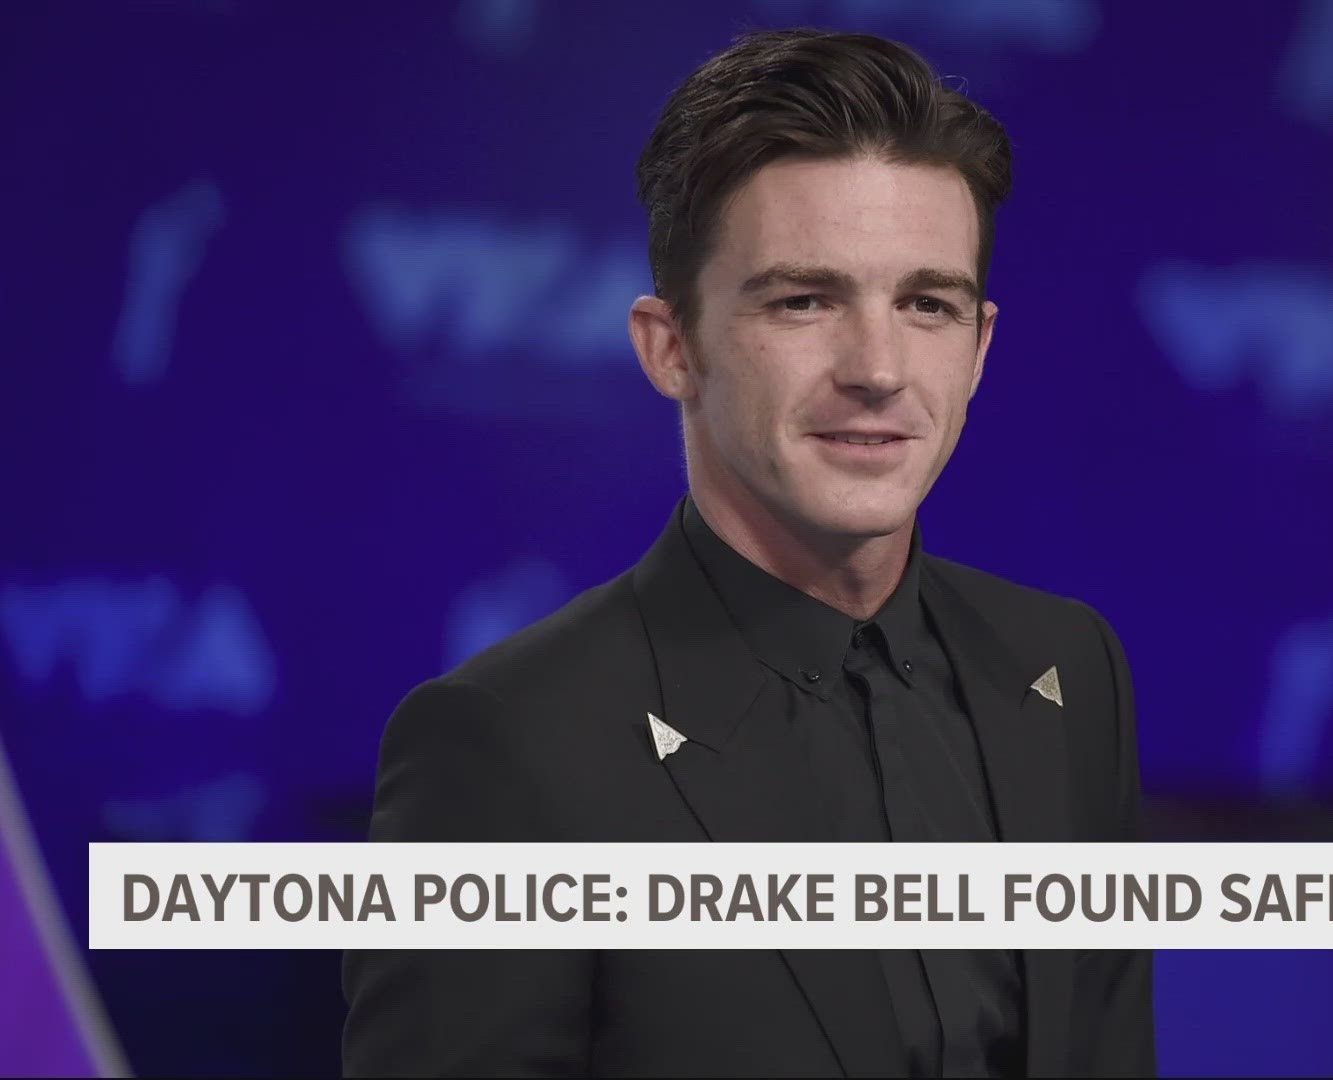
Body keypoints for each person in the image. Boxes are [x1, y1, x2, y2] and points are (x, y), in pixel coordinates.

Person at [341, 28, 1155, 1078]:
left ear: (980, 348)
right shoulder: (506, 748)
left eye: (927, 305)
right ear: (671, 347)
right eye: (804, 300)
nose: (878, 369)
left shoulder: (1067, 672)